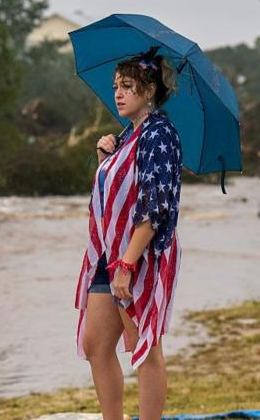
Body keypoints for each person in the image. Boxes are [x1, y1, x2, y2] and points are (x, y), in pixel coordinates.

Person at [74, 49, 183, 420]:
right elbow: (115, 194)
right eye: (116, 86)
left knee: (143, 346)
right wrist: (107, 158)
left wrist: (128, 263)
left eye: (128, 86)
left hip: (139, 254)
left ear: (150, 89)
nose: (118, 94)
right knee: (96, 346)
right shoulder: (128, 136)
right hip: (111, 254)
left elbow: (155, 205)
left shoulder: (160, 134)